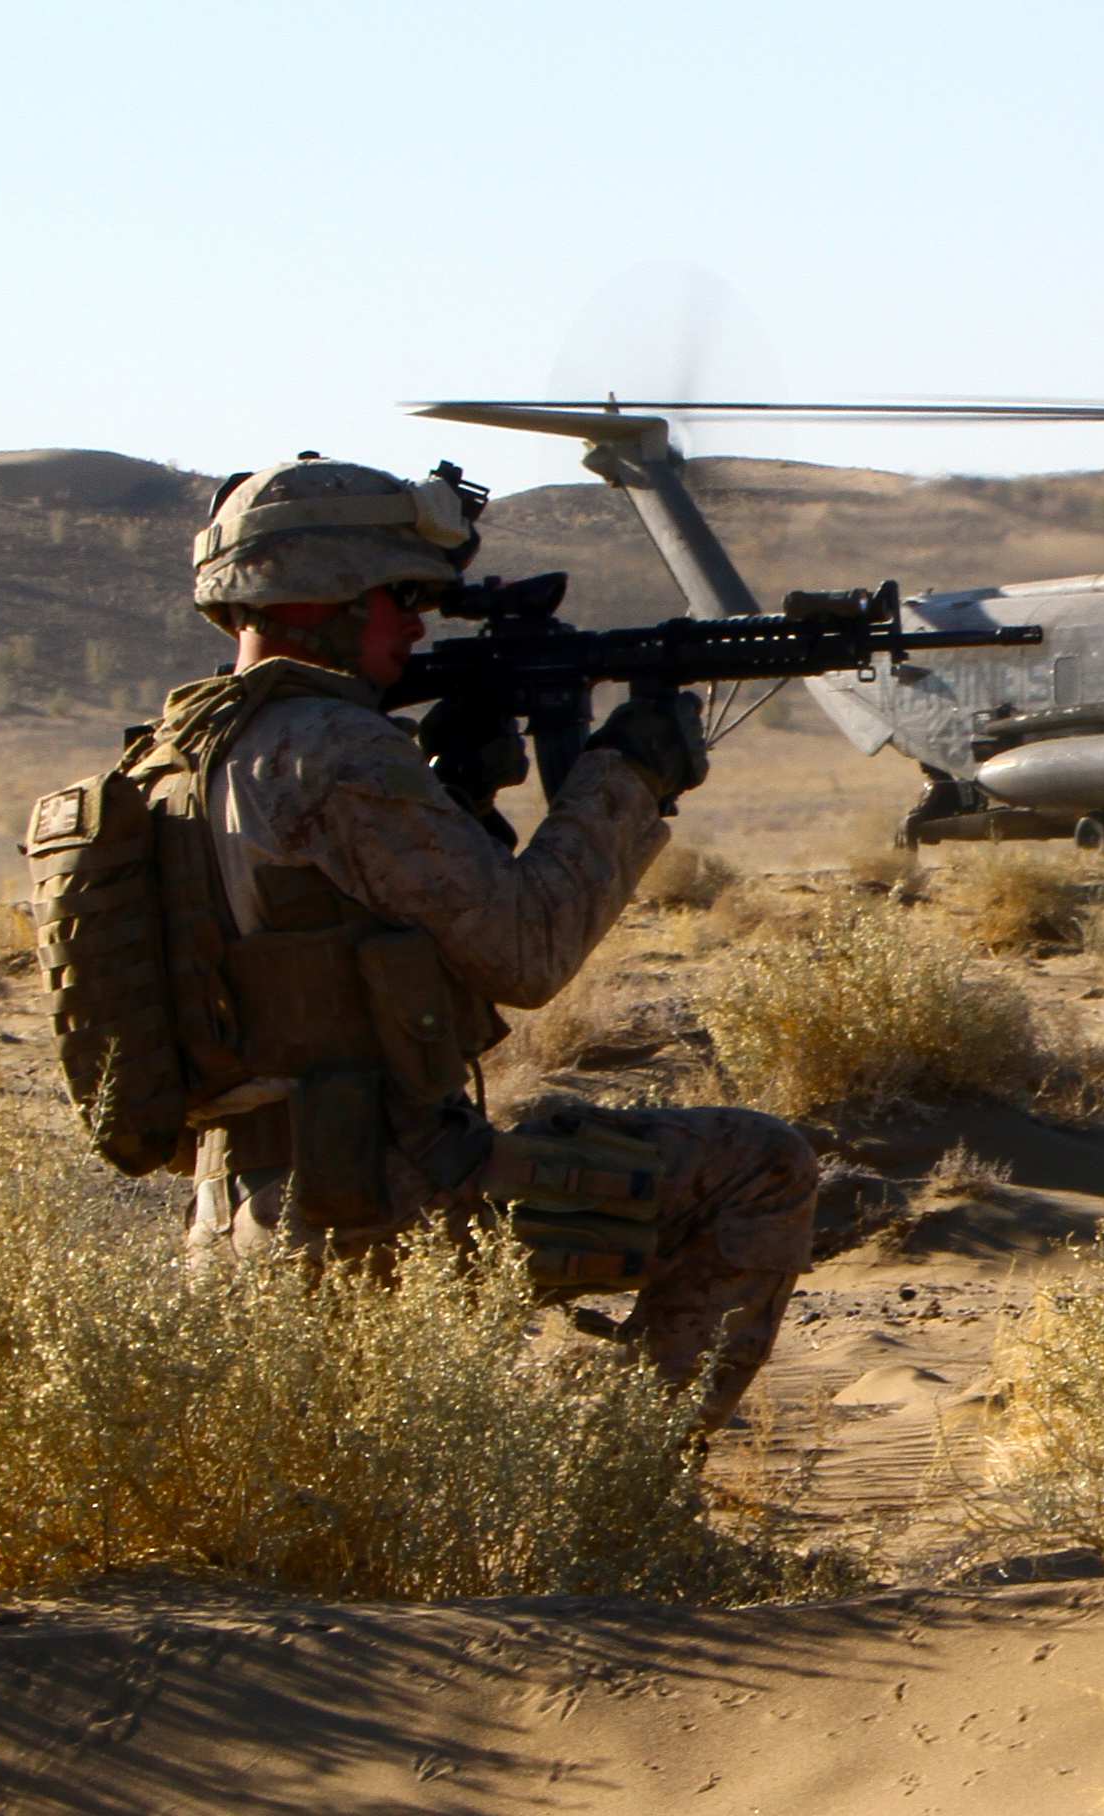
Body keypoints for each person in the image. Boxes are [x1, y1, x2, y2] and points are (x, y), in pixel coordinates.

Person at [166, 452, 815, 1431]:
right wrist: (626, 776)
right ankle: (622, 1476)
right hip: (382, 1212)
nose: (417, 625)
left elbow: (322, 942)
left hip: (241, 1220)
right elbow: (526, 952)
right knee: (760, 1169)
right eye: (399, 597)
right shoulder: (338, 751)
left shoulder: (178, 757)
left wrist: (457, 794)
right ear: (328, 592)